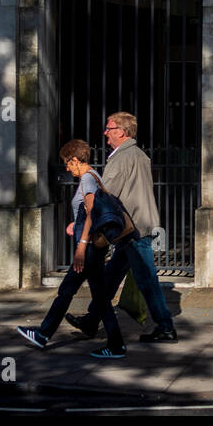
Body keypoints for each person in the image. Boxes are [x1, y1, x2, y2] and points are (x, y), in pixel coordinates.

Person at [15, 139, 136, 359]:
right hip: (91, 248)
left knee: (69, 291)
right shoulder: (95, 176)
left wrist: (82, 245)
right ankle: (113, 344)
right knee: (91, 295)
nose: (67, 168)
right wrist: (76, 225)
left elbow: (91, 213)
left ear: (75, 159)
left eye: (68, 164)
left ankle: (44, 334)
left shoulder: (88, 180)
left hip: (88, 250)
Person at [69, 112, 178, 343]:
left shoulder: (120, 158)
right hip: (137, 225)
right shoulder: (139, 155)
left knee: (147, 278)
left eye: (109, 128)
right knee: (110, 277)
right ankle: (91, 320)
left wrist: (83, 222)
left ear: (121, 131)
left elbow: (106, 197)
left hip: (133, 229)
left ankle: (166, 326)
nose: (105, 133)